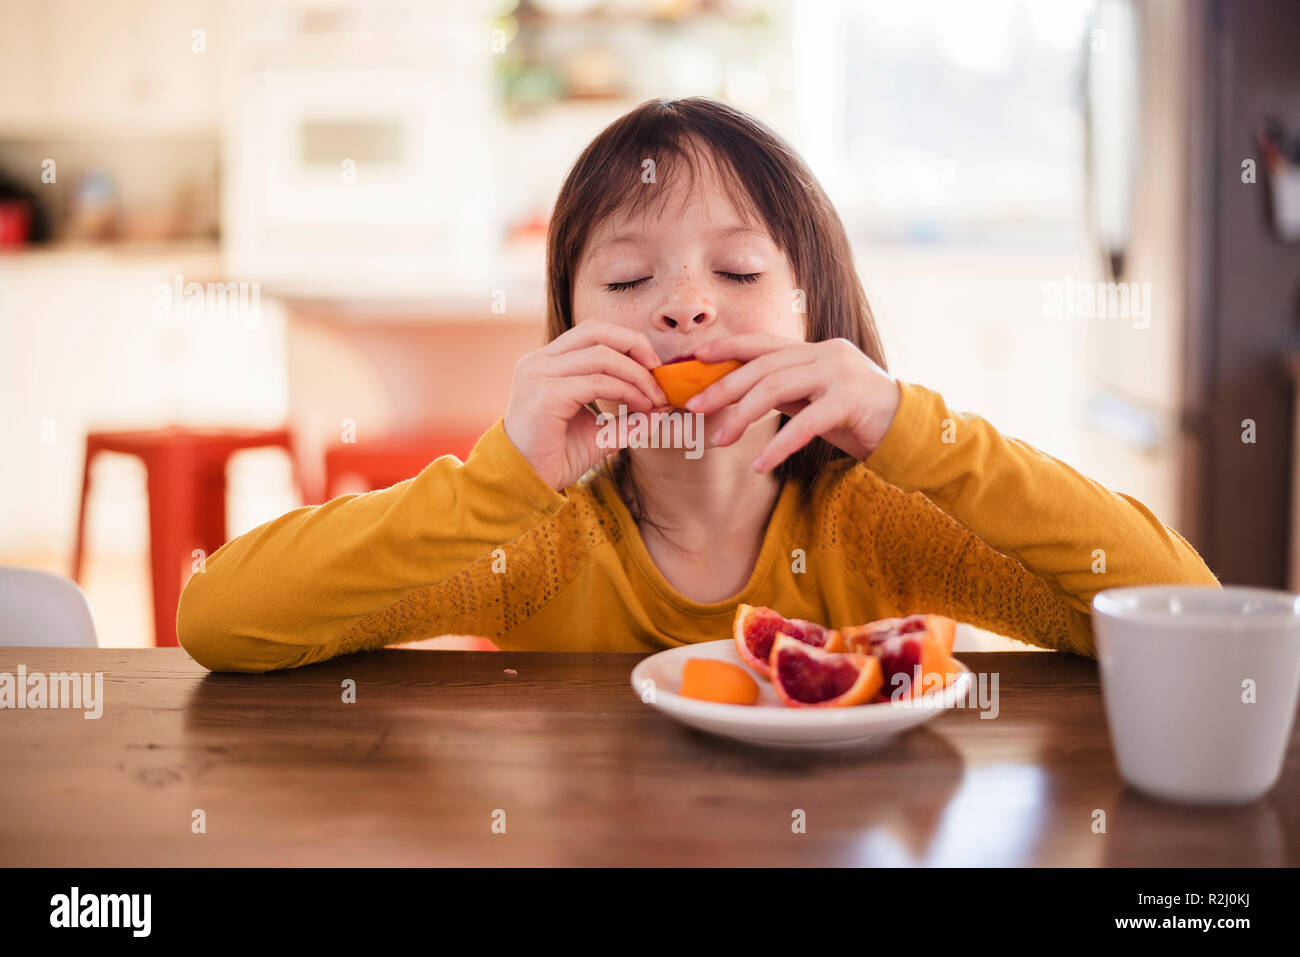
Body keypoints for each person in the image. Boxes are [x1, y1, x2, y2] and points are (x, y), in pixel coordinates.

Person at [177, 97, 1218, 673]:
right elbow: (221, 620)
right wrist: (499, 480)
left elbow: (1185, 614)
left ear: (812, 312)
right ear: (570, 323)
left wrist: (914, 430)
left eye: (738, 271)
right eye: (631, 279)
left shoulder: (883, 522)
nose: (684, 307)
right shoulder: (537, 543)